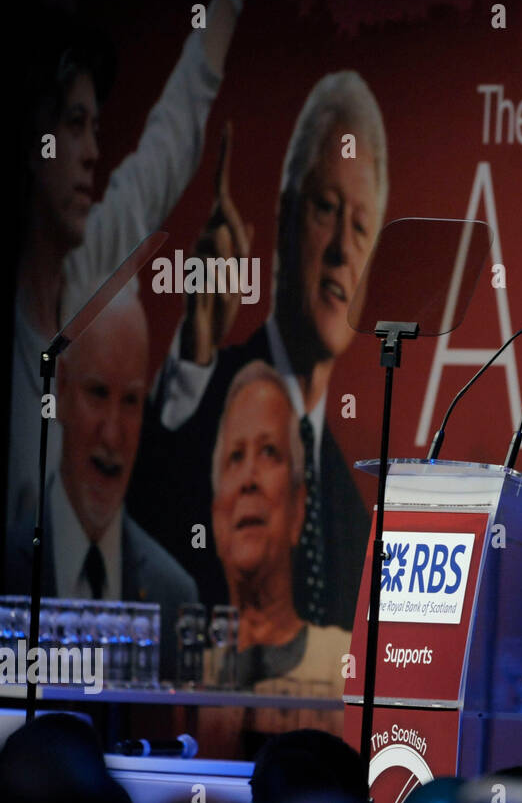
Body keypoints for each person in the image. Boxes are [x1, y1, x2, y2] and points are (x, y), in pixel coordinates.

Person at [130, 70, 387, 634]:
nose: (343, 249)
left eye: (362, 228)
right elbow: (140, 532)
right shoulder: (200, 393)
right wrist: (196, 352)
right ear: (285, 217)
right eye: (325, 207)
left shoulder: (348, 505)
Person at [10, 0, 255, 533]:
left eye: (96, 127)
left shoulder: (97, 256)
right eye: (75, 125)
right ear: (29, 138)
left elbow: (175, 127)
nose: (94, 152)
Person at [4, 295, 197, 680]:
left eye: (130, 401)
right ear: (59, 390)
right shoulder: (9, 567)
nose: (112, 433)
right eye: (97, 393)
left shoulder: (174, 597)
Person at [209, 360, 351, 694]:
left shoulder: (342, 664)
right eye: (235, 456)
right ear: (216, 518)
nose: (249, 479)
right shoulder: (190, 675)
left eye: (269, 452)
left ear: (298, 509)